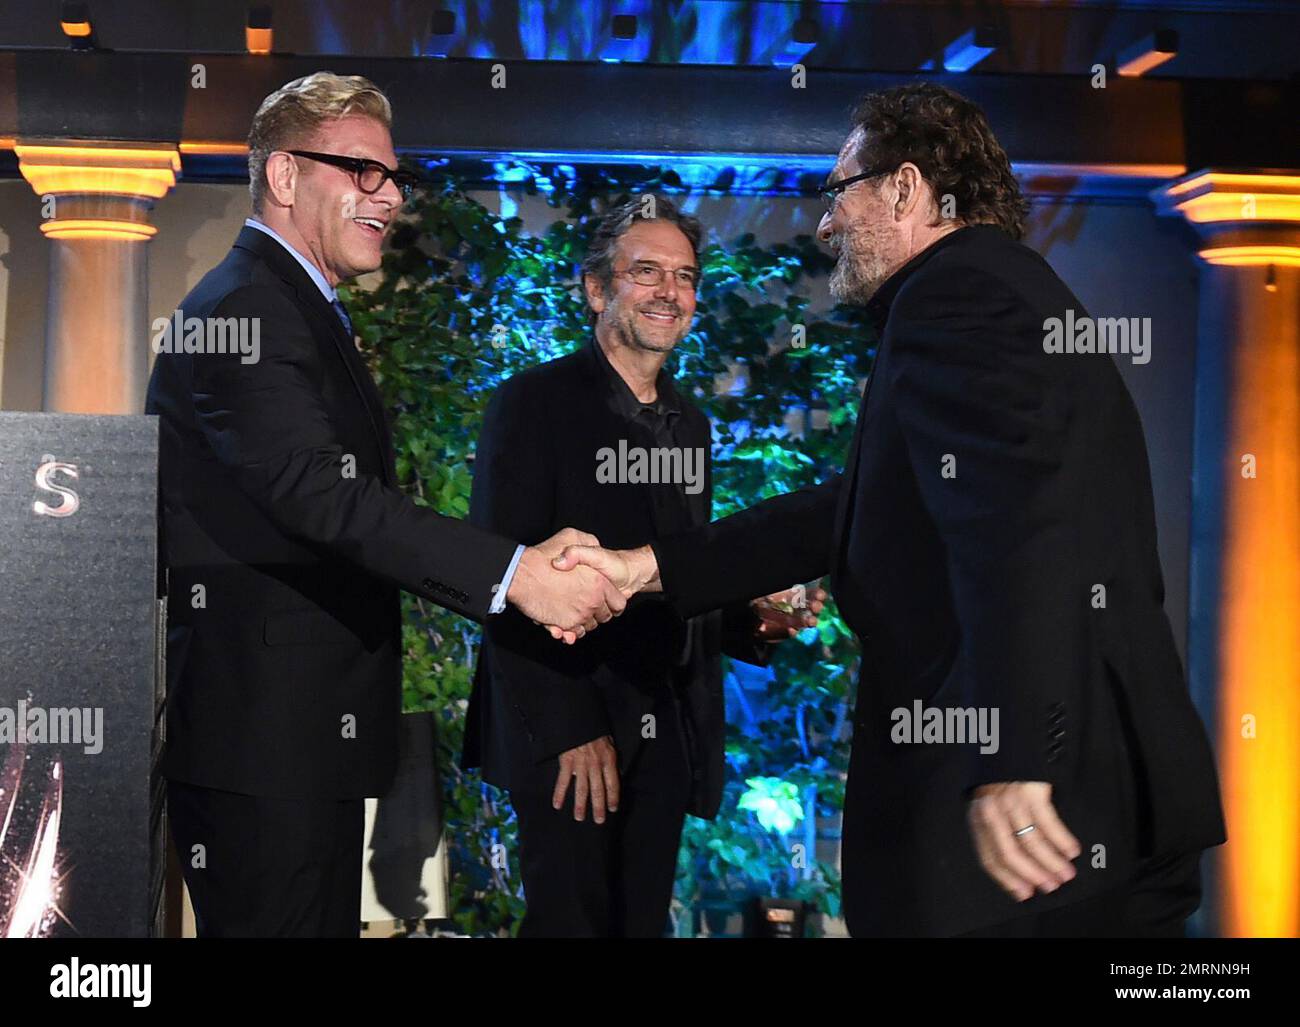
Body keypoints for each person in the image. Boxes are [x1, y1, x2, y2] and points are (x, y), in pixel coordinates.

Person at [552, 82, 1227, 938]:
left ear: (906, 189)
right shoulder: (998, 290)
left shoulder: (957, 298)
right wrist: (642, 568)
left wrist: (1015, 757)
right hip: (1089, 801)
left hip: (1037, 824)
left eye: (840, 192)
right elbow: (856, 506)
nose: (828, 223)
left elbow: (1018, 523)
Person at [146, 72, 623, 937]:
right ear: (285, 175)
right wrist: (515, 574)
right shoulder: (248, 305)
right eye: (364, 172)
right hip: (264, 747)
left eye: (395, 177)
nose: (391, 195)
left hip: (292, 742)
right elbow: (318, 495)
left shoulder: (293, 303)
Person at [464, 195, 822, 936]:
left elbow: (673, 571)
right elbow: (501, 581)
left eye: (686, 277)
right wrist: (570, 728)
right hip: (569, 724)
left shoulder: (691, 422)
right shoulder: (530, 404)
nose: (671, 292)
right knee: (571, 926)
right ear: (596, 289)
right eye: (647, 272)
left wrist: (752, 617)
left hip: (666, 719)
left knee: (642, 925)